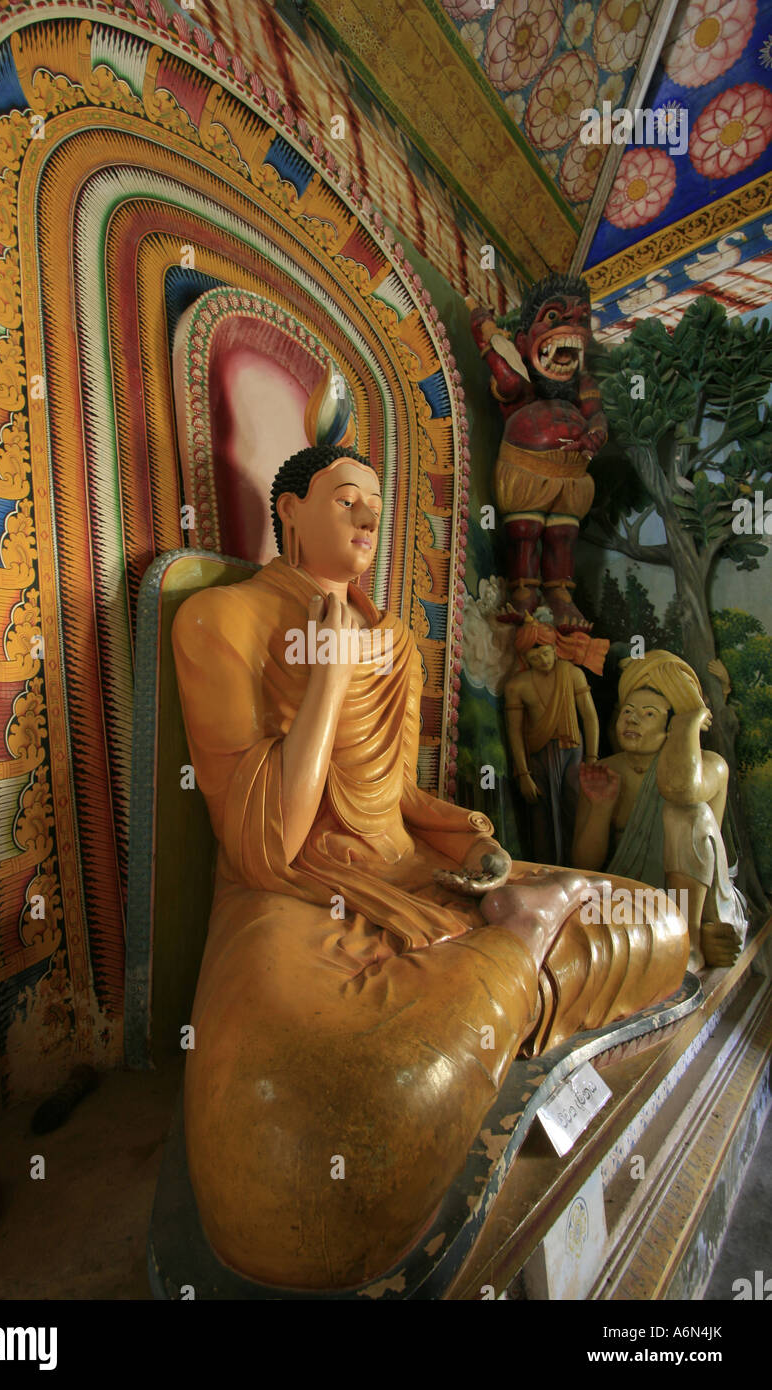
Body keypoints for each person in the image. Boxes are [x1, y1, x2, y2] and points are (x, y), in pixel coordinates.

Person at [171, 444, 688, 1291]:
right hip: (296, 903)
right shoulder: (220, 622)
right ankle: (521, 951)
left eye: (376, 501)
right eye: (345, 499)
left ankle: (505, 957)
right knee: (298, 1141)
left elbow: (398, 795)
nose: (368, 515)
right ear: (290, 513)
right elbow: (263, 846)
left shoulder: (392, 639)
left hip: (412, 871)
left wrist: (471, 844)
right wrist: (329, 679)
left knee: (653, 920)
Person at [572, 650, 747, 973]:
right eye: (628, 711)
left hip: (695, 908)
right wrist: (601, 808)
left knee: (684, 813)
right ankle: (651, 934)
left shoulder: (710, 767)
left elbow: (680, 789)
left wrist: (690, 718)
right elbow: (584, 866)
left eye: (649, 714)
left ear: (672, 727)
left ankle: (689, 943)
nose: (632, 720)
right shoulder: (607, 770)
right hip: (629, 902)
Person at [504, 615, 607, 863]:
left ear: (555, 650)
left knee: (576, 810)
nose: (543, 660)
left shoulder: (571, 674)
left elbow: (590, 717)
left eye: (546, 653)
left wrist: (592, 758)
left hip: (574, 752)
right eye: (535, 656)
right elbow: (515, 733)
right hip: (538, 758)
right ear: (525, 658)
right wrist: (523, 774)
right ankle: (544, 871)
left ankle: (578, 868)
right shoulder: (517, 686)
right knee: (541, 816)